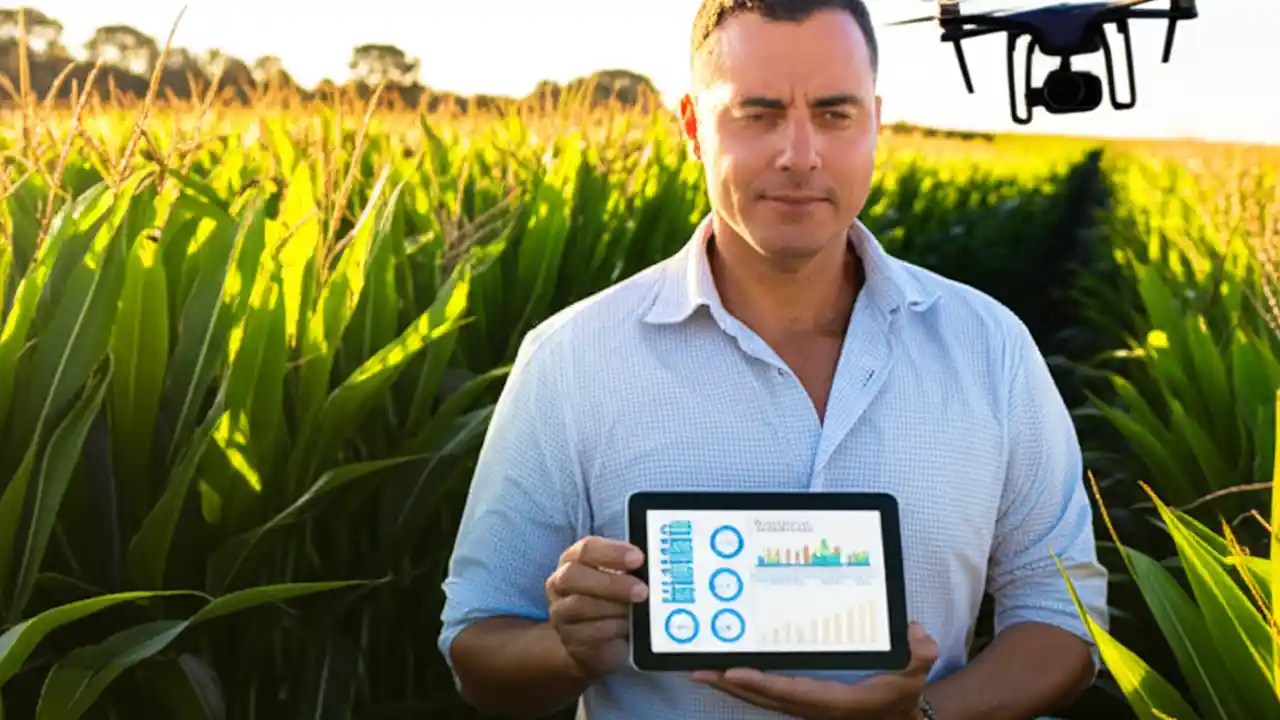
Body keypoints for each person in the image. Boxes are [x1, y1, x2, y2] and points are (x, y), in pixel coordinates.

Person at [436, 1, 1109, 717]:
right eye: (757, 114)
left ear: (875, 122)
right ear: (693, 127)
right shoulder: (573, 359)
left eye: (834, 113)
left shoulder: (990, 346)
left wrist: (921, 717)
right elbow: (478, 648)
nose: (800, 154)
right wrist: (567, 647)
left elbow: (1063, 619)